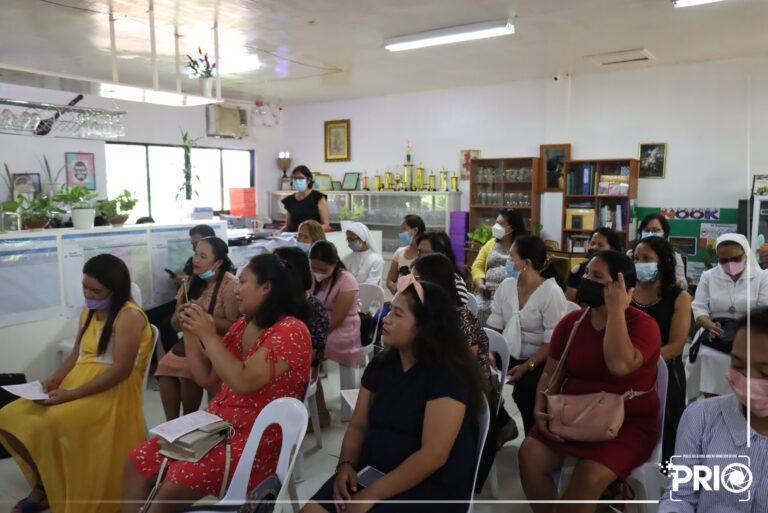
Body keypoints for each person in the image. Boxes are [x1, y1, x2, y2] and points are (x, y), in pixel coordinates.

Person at [123, 254, 312, 512]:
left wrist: (208, 334)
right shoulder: (243, 325)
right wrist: (191, 331)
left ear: (266, 288)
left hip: (259, 436)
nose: (236, 288)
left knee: (171, 488)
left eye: (243, 282)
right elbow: (206, 377)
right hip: (218, 424)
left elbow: (243, 381)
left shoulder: (291, 330)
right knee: (136, 463)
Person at [299, 277, 486, 513]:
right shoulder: (382, 366)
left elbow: (432, 456)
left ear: (424, 326)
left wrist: (372, 494)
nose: (386, 319)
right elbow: (358, 426)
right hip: (375, 471)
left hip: (430, 486)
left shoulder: (447, 376)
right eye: (390, 311)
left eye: (397, 314)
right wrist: (345, 465)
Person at [0, 254, 153, 513]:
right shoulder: (89, 311)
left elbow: (121, 371)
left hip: (111, 391)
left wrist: (72, 394)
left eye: (96, 290)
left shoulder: (129, 316)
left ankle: (49, 487)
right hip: (76, 383)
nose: (88, 294)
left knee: (50, 422)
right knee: (7, 417)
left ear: (115, 290)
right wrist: (56, 378)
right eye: (84, 286)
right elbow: (76, 354)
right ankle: (45, 484)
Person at [519, 251, 661, 513]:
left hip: (627, 424)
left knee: (588, 476)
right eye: (586, 273)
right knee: (530, 455)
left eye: (597, 276)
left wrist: (616, 312)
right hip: (574, 413)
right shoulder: (572, 322)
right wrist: (540, 408)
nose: (586, 280)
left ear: (621, 287)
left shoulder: (644, 326)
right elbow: (551, 373)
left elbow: (619, 365)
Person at [658, 307, 768, 513]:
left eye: (765, 372)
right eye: (738, 365)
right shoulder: (701, 417)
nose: (749, 380)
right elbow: (681, 495)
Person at [410, 253, 497, 490]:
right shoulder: (426, 315)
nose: (410, 284)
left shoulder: (458, 318)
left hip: (464, 395)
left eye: (415, 278)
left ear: (432, 282)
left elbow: (458, 371)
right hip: (437, 386)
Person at [487, 235, 567, 436]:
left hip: (539, 358)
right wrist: (490, 352)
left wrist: (527, 366)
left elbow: (554, 343)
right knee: (476, 376)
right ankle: (502, 424)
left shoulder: (551, 292)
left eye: (511, 257)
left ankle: (535, 437)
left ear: (526, 263)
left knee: (526, 390)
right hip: (508, 351)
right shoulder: (506, 286)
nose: (507, 261)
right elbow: (494, 327)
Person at [155, 237, 239, 420]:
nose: (196, 260)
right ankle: (171, 426)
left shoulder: (230, 285)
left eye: (203, 256)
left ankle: (188, 422)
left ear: (218, 262)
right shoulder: (191, 282)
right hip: (190, 342)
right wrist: (181, 313)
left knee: (187, 373)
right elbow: (175, 325)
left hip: (216, 345)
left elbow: (234, 327)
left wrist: (204, 317)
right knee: (164, 370)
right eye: (195, 254)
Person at [630, 236, 691, 465]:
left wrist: (639, 364)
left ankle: (666, 469)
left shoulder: (679, 297)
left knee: (665, 420)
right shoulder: (626, 292)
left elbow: (676, 346)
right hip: (626, 364)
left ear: (664, 261)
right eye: (636, 258)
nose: (640, 263)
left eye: (647, 258)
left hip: (662, 366)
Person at [688, 233, 768, 397]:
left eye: (736, 259)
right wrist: (709, 325)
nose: (730, 264)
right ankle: (710, 401)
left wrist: (740, 332)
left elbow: (763, 310)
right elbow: (699, 307)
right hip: (714, 330)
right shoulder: (709, 276)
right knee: (706, 355)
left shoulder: (761, 277)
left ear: (745, 254)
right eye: (723, 260)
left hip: (750, 330)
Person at [274, 246, 332, 428]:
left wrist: (276, 361)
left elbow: (315, 353)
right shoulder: (273, 303)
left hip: (299, 365)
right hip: (275, 362)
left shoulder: (313, 307)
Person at [310, 240, 361, 421]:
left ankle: (320, 413)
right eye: (314, 267)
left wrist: (313, 336)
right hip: (320, 326)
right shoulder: (312, 276)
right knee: (302, 350)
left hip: (343, 329)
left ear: (334, 263)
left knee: (308, 353)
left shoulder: (346, 280)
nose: (318, 273)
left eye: (323, 269)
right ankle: (318, 409)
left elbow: (337, 320)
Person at [146, 224, 216, 355]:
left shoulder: (221, 265)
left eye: (198, 244)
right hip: (185, 300)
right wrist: (180, 282)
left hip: (199, 304)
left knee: (167, 325)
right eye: (193, 245)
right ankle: (153, 360)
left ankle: (175, 357)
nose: (195, 248)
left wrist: (191, 282)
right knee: (148, 316)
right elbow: (185, 284)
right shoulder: (192, 260)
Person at [471, 209, 528, 324]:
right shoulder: (490, 244)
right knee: (477, 309)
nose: (496, 226)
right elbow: (477, 266)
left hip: (512, 295)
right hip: (487, 294)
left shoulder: (523, 246)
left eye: (501, 224)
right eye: (496, 222)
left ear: (512, 228)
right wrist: (480, 284)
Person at [630, 213, 688, 290]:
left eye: (655, 230)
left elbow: (684, 285)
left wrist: (665, 279)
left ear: (665, 233)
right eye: (647, 230)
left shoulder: (673, 256)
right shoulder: (631, 254)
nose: (650, 234)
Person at [565, 227, 623, 303]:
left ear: (613, 249)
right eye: (592, 243)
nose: (594, 247)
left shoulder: (620, 271)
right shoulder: (578, 270)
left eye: (600, 245)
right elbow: (569, 303)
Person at [416, 230, 470, 305]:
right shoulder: (416, 278)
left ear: (442, 256)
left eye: (427, 253)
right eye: (419, 252)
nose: (421, 258)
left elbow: (458, 313)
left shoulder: (455, 282)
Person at [281, 165, 330, 232]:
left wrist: (308, 233)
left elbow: (325, 224)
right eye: (294, 178)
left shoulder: (318, 198)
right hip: (294, 238)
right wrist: (279, 232)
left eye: (300, 178)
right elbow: (288, 226)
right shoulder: (289, 200)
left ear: (308, 180)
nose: (297, 181)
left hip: (312, 238)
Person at [386, 214, 426, 294]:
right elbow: (390, 280)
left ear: (415, 230)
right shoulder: (399, 252)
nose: (401, 232)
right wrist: (397, 292)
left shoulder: (426, 255)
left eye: (404, 229)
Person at [342, 221, 384, 286]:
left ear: (362, 238)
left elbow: (371, 285)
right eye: (348, 240)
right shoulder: (345, 259)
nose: (350, 242)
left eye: (352, 239)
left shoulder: (376, 260)